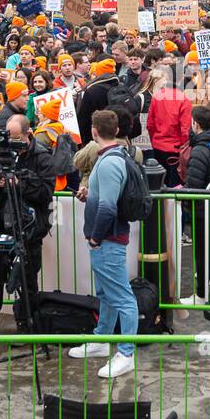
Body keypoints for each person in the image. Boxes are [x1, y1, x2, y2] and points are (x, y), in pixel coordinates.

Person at [71, 110, 139, 379]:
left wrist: (95, 237)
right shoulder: (110, 157)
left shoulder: (109, 162)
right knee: (107, 291)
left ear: (94, 132)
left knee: (121, 296)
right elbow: (106, 200)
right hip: (107, 237)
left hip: (108, 238)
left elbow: (109, 207)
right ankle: (102, 340)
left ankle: (126, 353)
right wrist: (90, 194)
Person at [0, 114, 57, 334]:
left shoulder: (42, 157)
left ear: (28, 134)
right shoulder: (3, 154)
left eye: (17, 138)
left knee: (27, 282)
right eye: (9, 137)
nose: (13, 143)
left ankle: (27, 326)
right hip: (2, 228)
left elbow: (46, 193)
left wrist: (19, 184)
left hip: (29, 231)